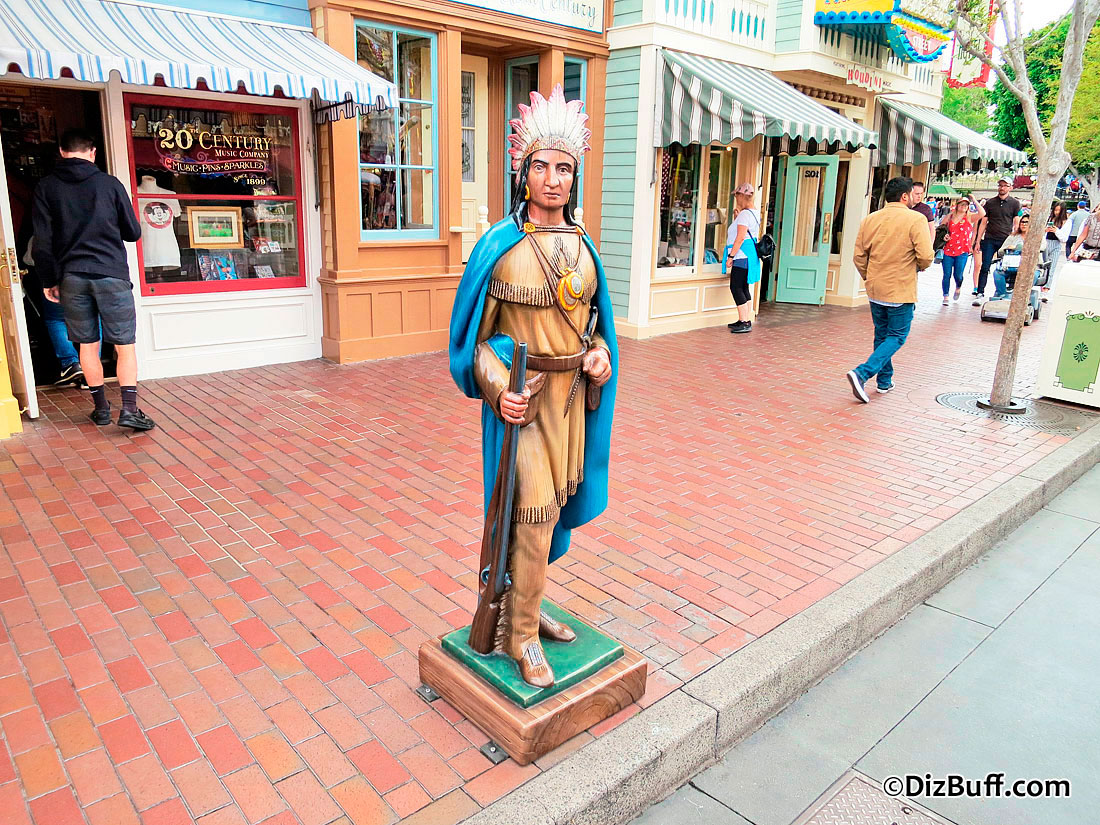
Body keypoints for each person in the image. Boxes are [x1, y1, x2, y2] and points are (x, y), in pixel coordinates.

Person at [449, 86, 617, 688]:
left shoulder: (585, 247)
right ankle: (519, 636)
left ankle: (530, 602)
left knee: (547, 517)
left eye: (564, 168)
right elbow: (472, 344)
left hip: (571, 405)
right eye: (542, 166)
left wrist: (598, 357)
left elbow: (597, 329)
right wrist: (500, 388)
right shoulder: (498, 247)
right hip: (526, 407)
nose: (553, 178)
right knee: (534, 512)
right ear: (524, 171)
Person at [32, 128, 155, 431]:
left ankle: (101, 409)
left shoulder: (46, 188)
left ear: (61, 151)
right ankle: (129, 410)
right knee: (124, 345)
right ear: (93, 152)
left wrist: (49, 280)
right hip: (110, 274)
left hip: (72, 277)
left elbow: (43, 243)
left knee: (87, 345)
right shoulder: (109, 185)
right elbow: (133, 232)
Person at [846, 177, 933, 402]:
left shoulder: (870, 220)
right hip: (900, 288)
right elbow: (925, 256)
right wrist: (921, 267)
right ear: (904, 196)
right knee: (897, 336)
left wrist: (869, 275)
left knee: (882, 335)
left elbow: (858, 256)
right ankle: (862, 373)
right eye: (913, 195)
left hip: (875, 288)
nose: (915, 198)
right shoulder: (916, 219)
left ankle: (884, 381)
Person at [973, 178, 1021, 303]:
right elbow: (984, 222)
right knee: (985, 266)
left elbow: (1016, 221)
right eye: (1000, 185)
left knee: (1006, 266)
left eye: (1005, 186)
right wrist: (978, 240)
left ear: (1010, 187)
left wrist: (1015, 238)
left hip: (1006, 239)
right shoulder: (990, 202)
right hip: (990, 238)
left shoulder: (1015, 203)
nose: (1002, 188)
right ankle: (980, 291)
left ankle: (1002, 292)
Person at [725, 183, 761, 334]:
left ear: (742, 196)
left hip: (741, 256)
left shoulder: (745, 215)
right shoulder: (752, 213)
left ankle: (745, 321)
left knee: (736, 287)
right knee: (743, 287)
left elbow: (740, 238)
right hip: (749, 256)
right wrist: (737, 217)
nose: (735, 198)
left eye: (736, 195)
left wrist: (731, 256)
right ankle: (744, 319)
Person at [938, 194, 985, 305]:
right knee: (946, 274)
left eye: (966, 205)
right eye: (962, 204)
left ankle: (958, 286)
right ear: (957, 205)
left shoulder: (969, 217)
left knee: (958, 274)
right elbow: (940, 229)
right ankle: (945, 295)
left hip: (962, 250)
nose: (964, 206)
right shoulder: (949, 217)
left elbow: (982, 213)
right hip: (948, 249)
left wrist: (974, 200)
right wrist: (944, 236)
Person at [1043, 201, 1071, 295]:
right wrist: (1046, 230)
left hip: (1056, 244)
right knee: (1042, 266)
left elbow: (1064, 238)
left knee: (1051, 267)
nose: (1056, 212)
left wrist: (1056, 231)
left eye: (1058, 210)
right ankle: (1040, 285)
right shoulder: (1050, 218)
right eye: (1055, 210)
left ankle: (1046, 288)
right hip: (1046, 242)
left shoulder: (1066, 222)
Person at [909, 181, 936, 245]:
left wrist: (930, 245)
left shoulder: (926, 209)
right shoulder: (903, 207)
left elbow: (931, 228)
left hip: (919, 243)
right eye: (917, 194)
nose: (919, 196)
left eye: (921, 194)